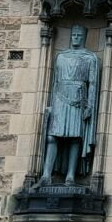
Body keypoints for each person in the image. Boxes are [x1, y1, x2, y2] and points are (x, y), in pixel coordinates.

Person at [42, 25, 100, 185]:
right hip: (59, 98)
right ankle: (46, 174)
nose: (75, 37)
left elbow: (93, 83)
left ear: (84, 37)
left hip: (78, 100)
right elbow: (54, 81)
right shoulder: (60, 57)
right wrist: (50, 104)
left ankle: (70, 176)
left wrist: (90, 105)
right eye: (73, 34)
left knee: (75, 138)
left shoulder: (90, 58)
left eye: (79, 35)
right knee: (52, 137)